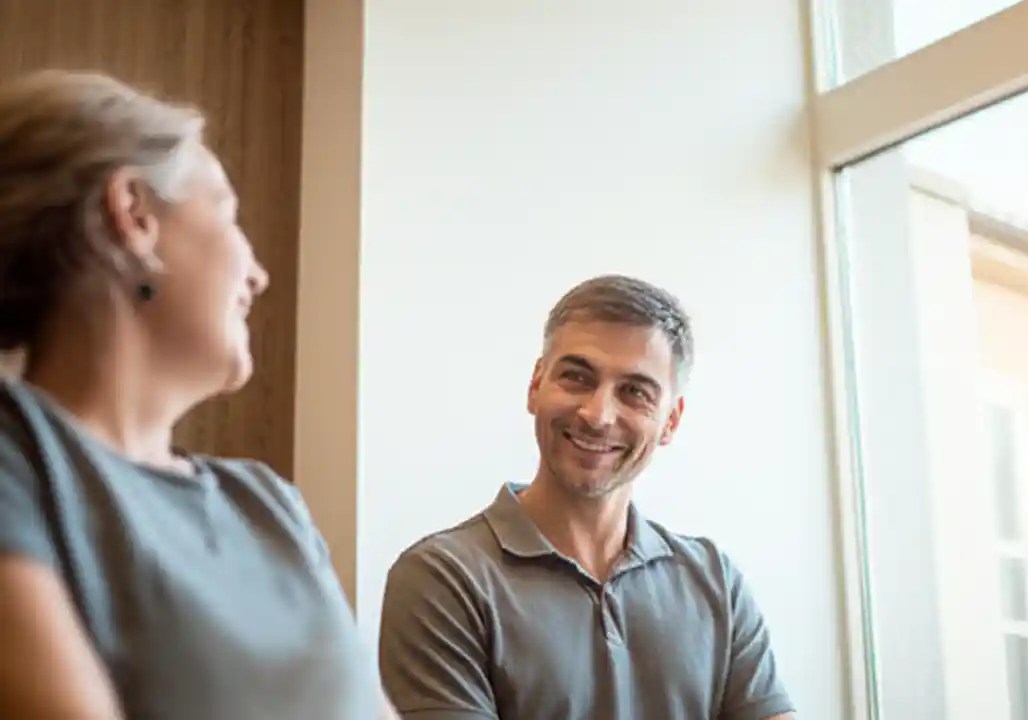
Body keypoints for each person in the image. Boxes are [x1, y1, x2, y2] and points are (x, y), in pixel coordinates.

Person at [0, 70, 397, 719]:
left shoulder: (269, 506)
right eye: (228, 214)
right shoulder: (20, 461)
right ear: (133, 214)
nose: (259, 275)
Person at [379, 275, 796, 719]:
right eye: (577, 377)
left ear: (671, 421)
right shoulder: (443, 579)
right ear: (535, 385)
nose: (598, 416)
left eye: (635, 391)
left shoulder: (716, 582)